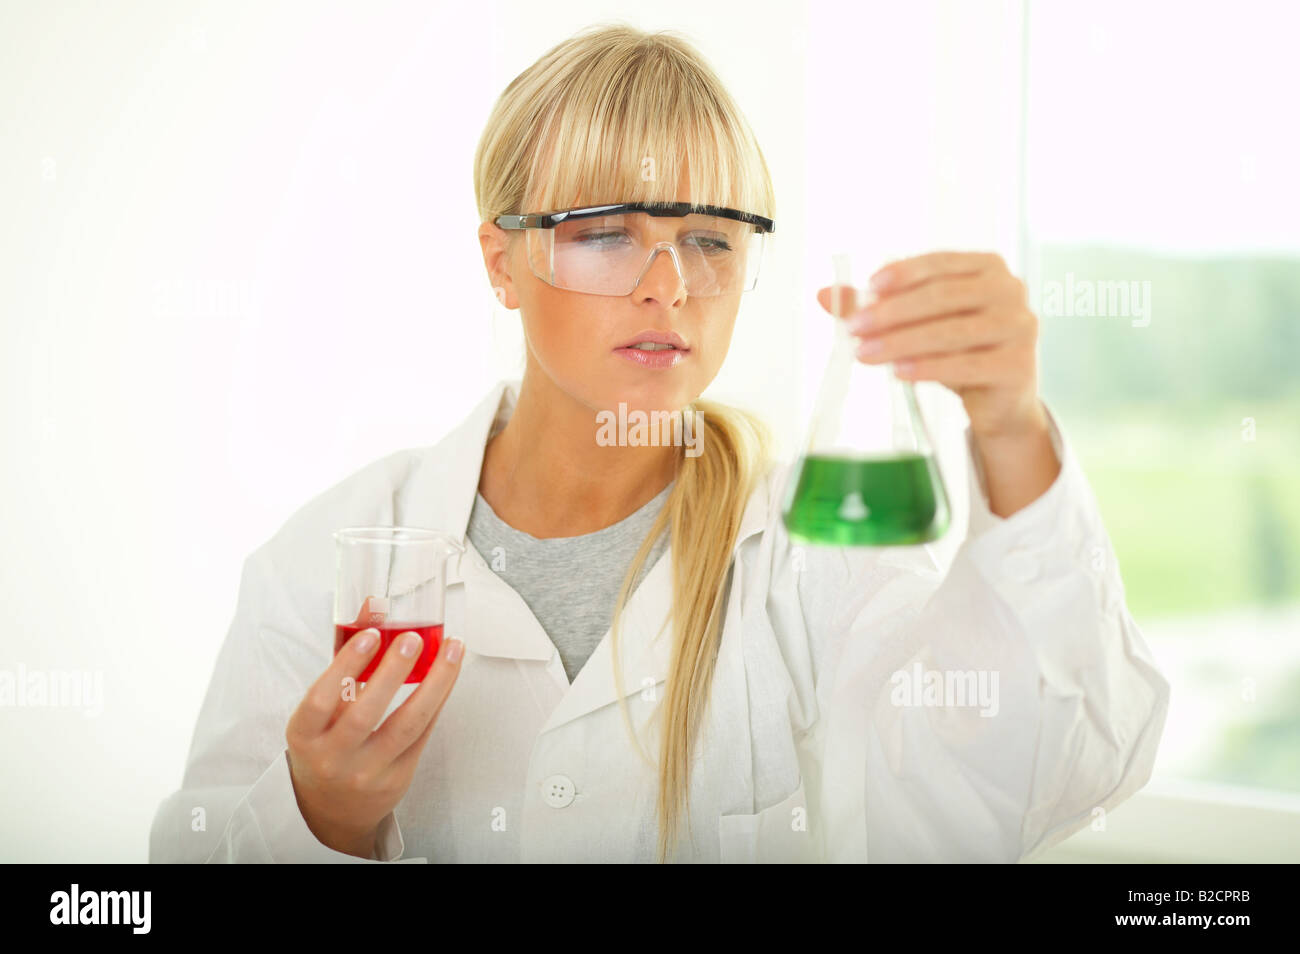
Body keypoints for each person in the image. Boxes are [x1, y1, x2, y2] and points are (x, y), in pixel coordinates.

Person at [149, 22, 1170, 864]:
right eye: (603, 232)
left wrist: (1008, 425)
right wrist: (320, 820)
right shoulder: (336, 554)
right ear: (501, 262)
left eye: (709, 239)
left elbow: (1025, 779)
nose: (668, 284)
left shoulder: (810, 553)